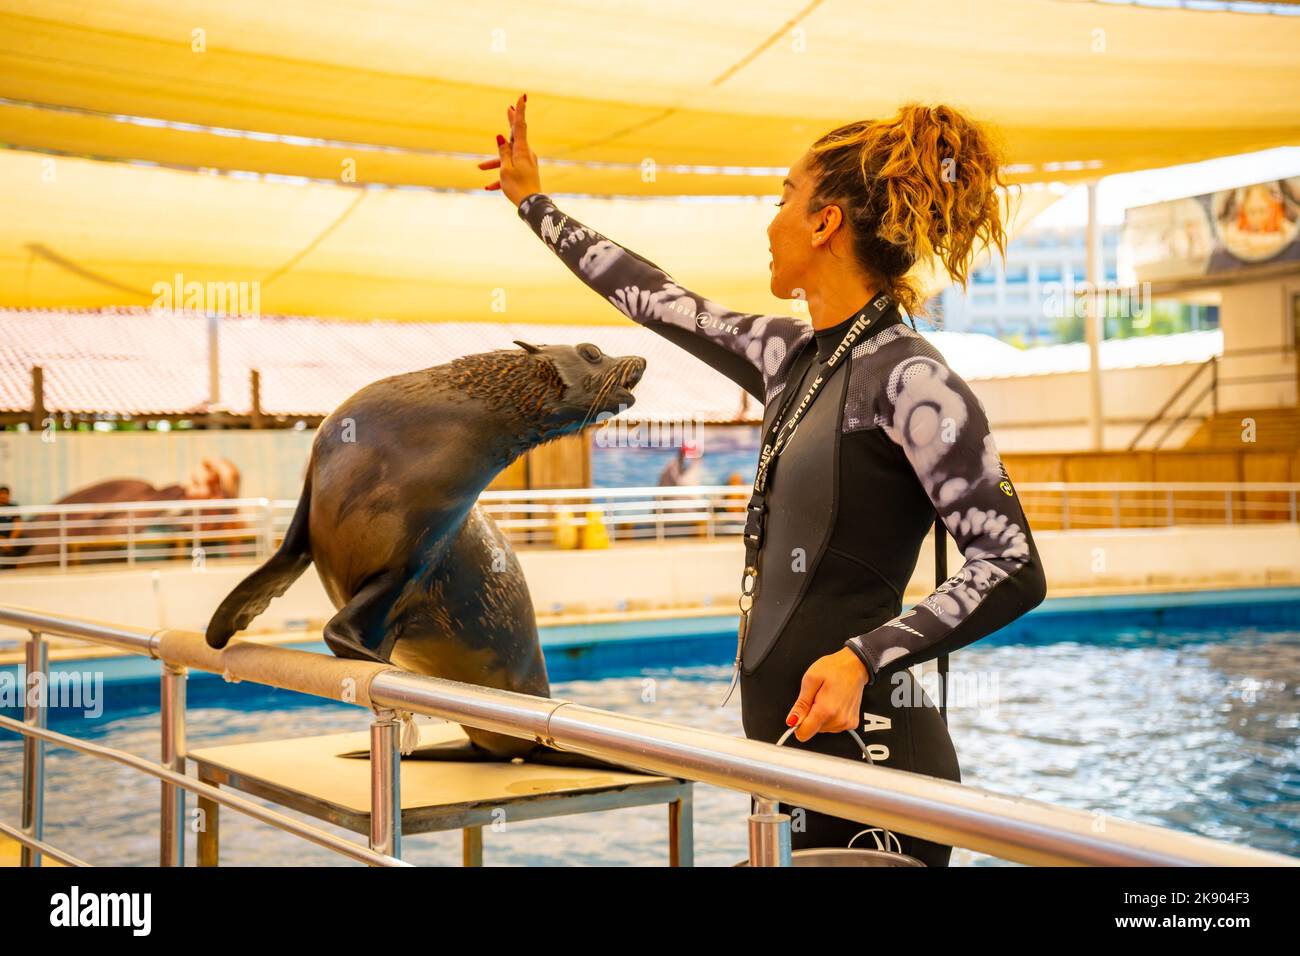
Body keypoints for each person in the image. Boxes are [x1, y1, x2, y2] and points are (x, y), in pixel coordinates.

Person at [479, 95, 1047, 866]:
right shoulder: (792, 357)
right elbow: (656, 299)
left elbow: (1011, 565)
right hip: (787, 760)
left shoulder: (913, 378)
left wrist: (863, 657)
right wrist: (533, 204)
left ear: (825, 223)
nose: (769, 219)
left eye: (784, 195)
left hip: (876, 763)